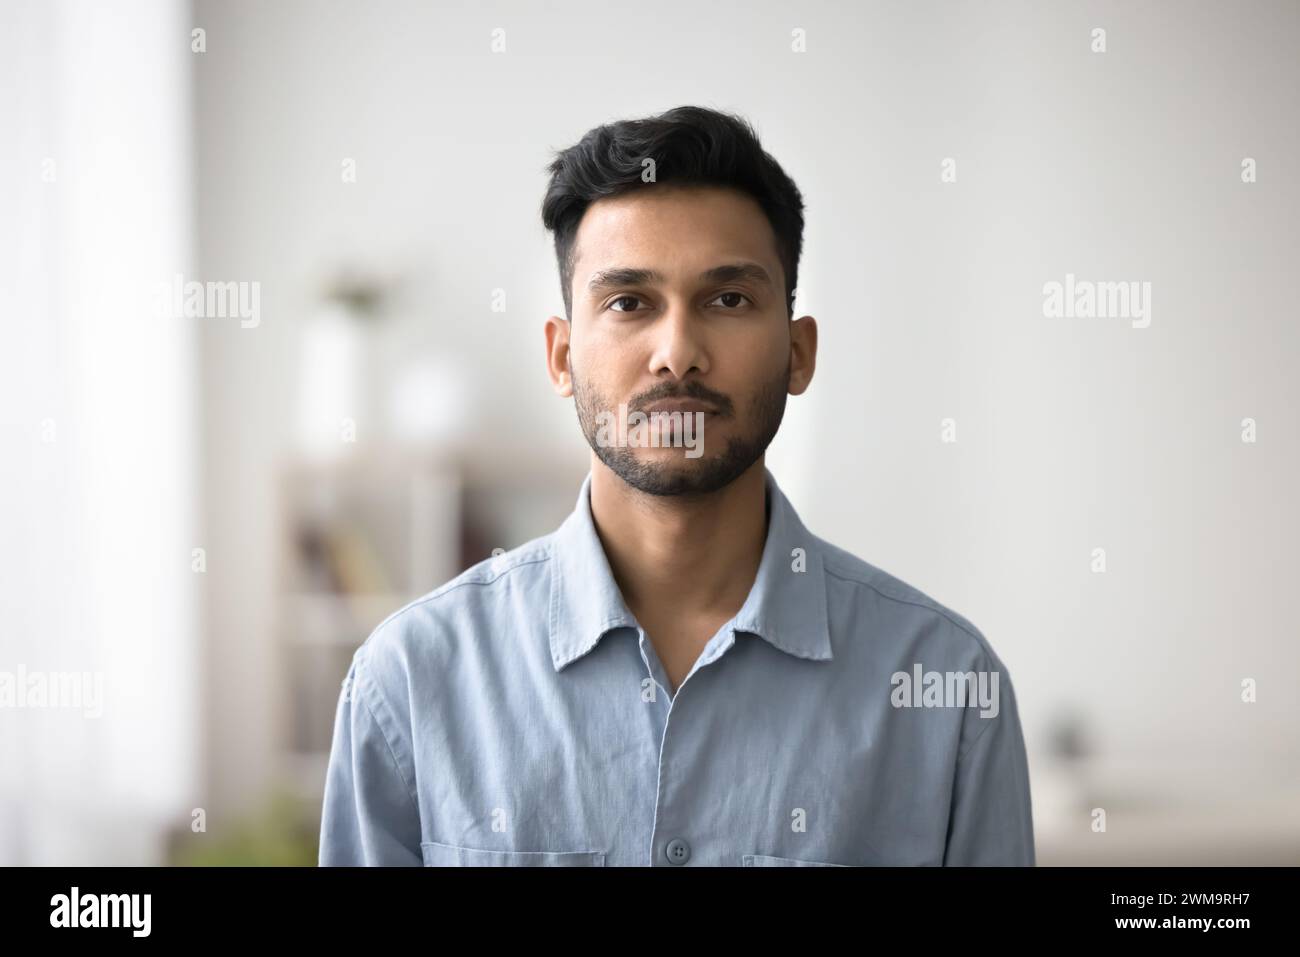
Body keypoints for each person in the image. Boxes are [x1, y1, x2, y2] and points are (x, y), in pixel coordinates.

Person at [319, 105, 1034, 866]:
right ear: (562, 357)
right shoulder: (408, 682)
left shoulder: (949, 688)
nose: (678, 352)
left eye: (728, 299)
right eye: (629, 302)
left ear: (798, 353)